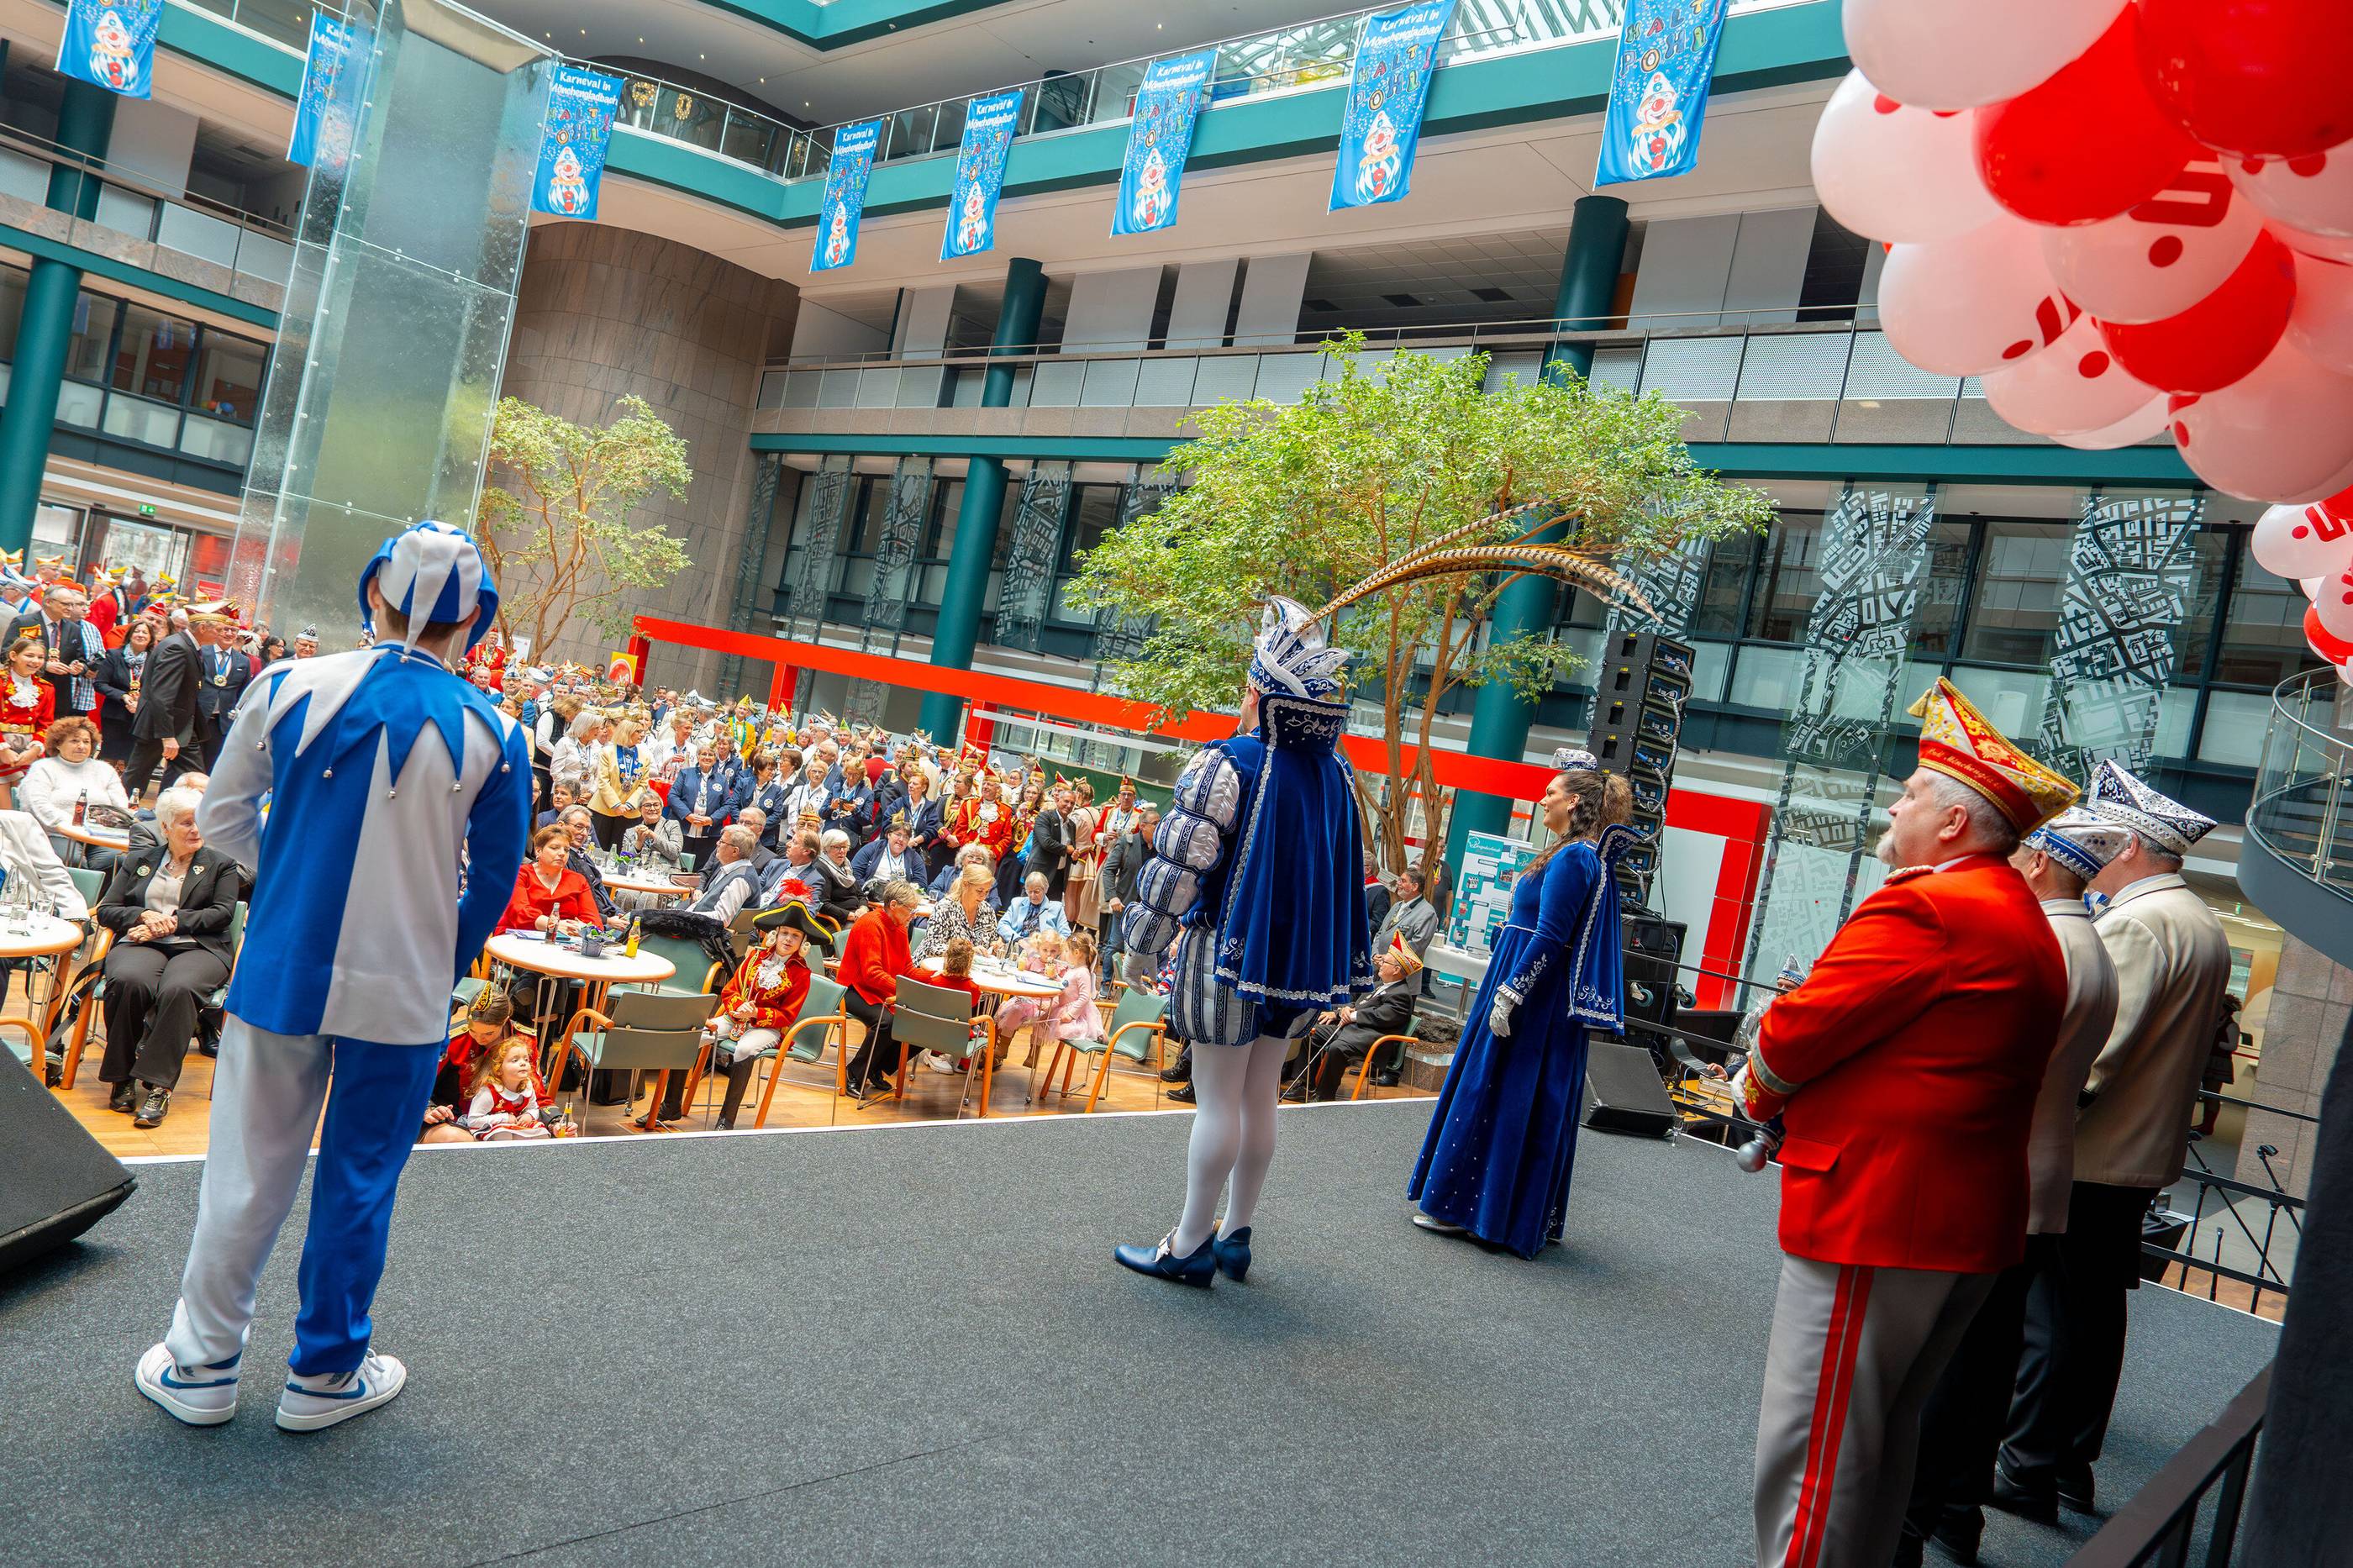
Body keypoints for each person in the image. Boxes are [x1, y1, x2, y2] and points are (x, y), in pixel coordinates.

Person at [136, 520, 530, 1434]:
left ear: (373, 593)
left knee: (244, 1170)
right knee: (361, 1179)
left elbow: (223, 817)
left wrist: (299, 871)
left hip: (283, 971)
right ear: (475, 618)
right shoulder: (499, 733)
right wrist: (440, 955)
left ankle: (200, 1366)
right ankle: (324, 1376)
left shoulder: (285, 685)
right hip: (406, 989)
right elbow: (495, 887)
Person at [1739, 678, 2076, 1568]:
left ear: (1954, 823)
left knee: (1813, 1456)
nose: (1895, 803)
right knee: (1879, 1449)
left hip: (1876, 1214)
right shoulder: (2020, 916)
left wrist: (1754, 1095)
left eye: (1911, 791)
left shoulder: (1925, 903)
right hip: (1950, 1219)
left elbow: (1797, 1028)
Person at [1998, 761, 2232, 1523]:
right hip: (2140, 1156)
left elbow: (2094, 1056)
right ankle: (2067, 1466)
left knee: (2056, 1317)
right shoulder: (2198, 920)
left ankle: (2029, 1468)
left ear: (2131, 844)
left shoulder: (2136, 922)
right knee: (2095, 1315)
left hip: (2094, 1153)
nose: (2094, 851)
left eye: (2106, 836)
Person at [1115, 597, 1368, 1286]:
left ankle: (1189, 1242)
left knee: (1218, 1100)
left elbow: (1180, 864)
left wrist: (1141, 942)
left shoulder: (1228, 762)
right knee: (1261, 1098)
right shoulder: (1340, 776)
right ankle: (1236, 1234)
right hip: (1297, 966)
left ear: (1258, 693)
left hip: (1224, 954)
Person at [1903, 808, 2123, 1567]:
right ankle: (1954, 1511)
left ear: (2035, 864)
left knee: (1956, 1361)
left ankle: (1936, 1510)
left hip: (2008, 1167)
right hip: (2047, 1168)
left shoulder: (2049, 942)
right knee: (1991, 1358)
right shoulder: (2091, 941)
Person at [1407, 759, 1629, 1254]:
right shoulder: (1575, 855)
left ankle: (1475, 1211)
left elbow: (1550, 938)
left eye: (1552, 791)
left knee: (1501, 1093)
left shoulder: (1574, 858)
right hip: (1533, 994)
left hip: (1532, 1000)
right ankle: (1495, 1210)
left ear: (1574, 801)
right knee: (1510, 1096)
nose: (1543, 798)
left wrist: (1511, 993)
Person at [91, 785, 239, 1129]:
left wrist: (170, 923)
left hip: (199, 946)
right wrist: (142, 917)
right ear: (165, 827)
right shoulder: (139, 861)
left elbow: (222, 914)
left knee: (179, 989)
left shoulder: (221, 863)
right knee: (130, 981)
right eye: (186, 823)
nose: (196, 830)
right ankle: (122, 1077)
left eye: (200, 821)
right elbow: (109, 910)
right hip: (142, 944)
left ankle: (159, 1086)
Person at [693, 900, 834, 1129]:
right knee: (695, 1035)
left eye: (795, 936)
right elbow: (731, 990)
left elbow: (788, 1015)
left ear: (803, 943)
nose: (788, 940)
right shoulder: (755, 958)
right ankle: (670, 1106)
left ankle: (726, 1121)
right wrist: (739, 1008)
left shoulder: (801, 974)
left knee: (745, 1049)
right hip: (735, 1018)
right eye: (784, 933)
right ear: (774, 935)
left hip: (767, 1028)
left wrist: (756, 1013)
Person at [1291, 934, 1421, 1103]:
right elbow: (1356, 1004)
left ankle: (1325, 1095)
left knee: (1338, 1048)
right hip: (1352, 1030)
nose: (1380, 964)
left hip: (1372, 1037)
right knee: (1310, 1033)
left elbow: (1382, 1017)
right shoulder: (1379, 985)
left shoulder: (1402, 994)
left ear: (1396, 970)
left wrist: (1352, 1015)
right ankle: (1304, 1086)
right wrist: (1341, 1011)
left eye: (1385, 962)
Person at [421, 990, 539, 1145]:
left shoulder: (524, 1040)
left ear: (505, 1021)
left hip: (506, 1123)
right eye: (473, 1030)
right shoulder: (454, 1040)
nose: (479, 1038)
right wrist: (428, 1109)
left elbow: (536, 1090)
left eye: (489, 1033)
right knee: (456, 1140)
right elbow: (418, 1083)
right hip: (453, 1121)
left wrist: (555, 1121)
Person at [840, 880, 922, 1099]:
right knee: (887, 1022)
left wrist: (935, 978)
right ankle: (854, 1073)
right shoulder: (871, 924)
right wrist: (907, 990)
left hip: (879, 989)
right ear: (893, 904)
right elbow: (871, 973)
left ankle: (876, 1066)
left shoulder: (900, 927)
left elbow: (906, 969)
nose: (913, 915)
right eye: (910, 909)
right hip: (853, 988)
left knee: (923, 1019)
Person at [124, 601, 209, 800]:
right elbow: (162, 695)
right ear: (203, 628)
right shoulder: (177, 647)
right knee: (137, 776)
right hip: (162, 725)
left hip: (182, 726)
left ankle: (177, 816)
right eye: (220, 629)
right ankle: (114, 814)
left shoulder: (186, 645)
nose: (223, 634)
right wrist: (167, 735)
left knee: (194, 777)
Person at [19, 716, 129, 862]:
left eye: (86, 742)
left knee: (116, 860)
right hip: (57, 833)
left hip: (101, 833)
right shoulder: (43, 768)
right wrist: (75, 824)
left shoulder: (105, 769)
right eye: (74, 741)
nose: (81, 746)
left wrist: (109, 822)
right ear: (58, 744)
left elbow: (120, 805)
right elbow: (36, 804)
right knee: (74, 860)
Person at [8, 579, 106, 727]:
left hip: (59, 696)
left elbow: (80, 658)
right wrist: (43, 665)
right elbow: (6, 653)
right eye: (66, 604)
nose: (70, 608)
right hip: (24, 690)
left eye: (73, 605)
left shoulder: (74, 629)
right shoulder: (24, 622)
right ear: (48, 602)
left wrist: (80, 667)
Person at [499, 824, 600, 935]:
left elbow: (594, 922)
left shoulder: (578, 880)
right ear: (538, 851)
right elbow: (519, 912)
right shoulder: (520, 874)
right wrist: (554, 925)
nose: (562, 853)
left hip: (564, 940)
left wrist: (580, 928)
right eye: (554, 848)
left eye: (566, 850)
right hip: (518, 935)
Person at [1097, 802, 1156, 986]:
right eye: (1155, 823)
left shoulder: (1161, 849)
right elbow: (1108, 871)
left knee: (1143, 949)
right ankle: (1107, 983)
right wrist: (1112, 896)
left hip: (1148, 909)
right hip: (1123, 904)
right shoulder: (1127, 842)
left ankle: (1136, 987)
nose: (1158, 826)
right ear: (1143, 825)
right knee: (1115, 944)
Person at [192, 612, 253, 768]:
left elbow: (243, 693)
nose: (229, 633)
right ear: (218, 631)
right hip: (198, 717)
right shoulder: (202, 653)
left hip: (222, 723)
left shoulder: (243, 661)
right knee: (190, 762)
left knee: (212, 765)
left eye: (233, 630)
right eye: (225, 629)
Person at [462, 1038, 552, 1141]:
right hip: (495, 1129)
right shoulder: (489, 1092)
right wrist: (505, 1118)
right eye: (515, 1060)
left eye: (526, 1059)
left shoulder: (527, 1085)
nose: (523, 1063)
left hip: (517, 1125)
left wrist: (529, 1115)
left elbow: (534, 1108)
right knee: (504, 1134)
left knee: (541, 1134)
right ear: (499, 1069)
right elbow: (473, 1120)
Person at [92, 618, 153, 769]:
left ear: (151, 638)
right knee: (110, 759)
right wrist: (123, 696)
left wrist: (141, 702)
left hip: (141, 716)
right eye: (137, 631)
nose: (140, 635)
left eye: (145, 632)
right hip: (115, 715)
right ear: (129, 635)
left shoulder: (155, 659)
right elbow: (100, 684)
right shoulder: (114, 655)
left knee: (132, 761)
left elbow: (158, 688)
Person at [587, 715, 653, 850]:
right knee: (597, 850)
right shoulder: (607, 752)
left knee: (622, 852)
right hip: (604, 808)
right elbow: (603, 781)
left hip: (630, 811)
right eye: (638, 731)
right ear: (627, 732)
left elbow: (643, 785)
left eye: (643, 731)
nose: (642, 734)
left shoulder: (645, 755)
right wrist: (616, 805)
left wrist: (629, 805)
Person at [0, 632, 55, 792]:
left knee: (26, 802)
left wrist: (35, 750)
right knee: (5, 810)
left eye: (40, 657)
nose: (35, 661)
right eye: (29, 655)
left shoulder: (46, 688)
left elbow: (46, 724)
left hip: (29, 749)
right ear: (13, 655)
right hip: (2, 744)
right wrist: (3, 749)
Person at [666, 741, 732, 871]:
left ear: (715, 758)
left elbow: (728, 804)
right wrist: (687, 815)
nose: (707, 757)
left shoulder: (722, 779)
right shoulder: (686, 773)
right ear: (698, 756)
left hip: (708, 834)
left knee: (699, 869)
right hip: (683, 829)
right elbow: (672, 796)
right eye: (703, 754)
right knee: (676, 866)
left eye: (711, 754)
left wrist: (711, 819)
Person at [686, 824, 764, 926]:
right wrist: (685, 914)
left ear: (735, 851)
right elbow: (704, 899)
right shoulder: (730, 868)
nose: (717, 843)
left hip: (711, 937)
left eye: (722, 842)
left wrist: (687, 917)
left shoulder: (740, 880)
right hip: (699, 926)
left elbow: (722, 919)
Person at [1371, 866, 1438, 962]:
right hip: (1379, 967)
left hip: (1401, 973)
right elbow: (1381, 933)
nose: (1398, 883)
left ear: (1414, 886)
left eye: (1403, 881)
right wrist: (1375, 954)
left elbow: (1417, 945)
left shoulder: (1427, 913)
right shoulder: (1397, 906)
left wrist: (1388, 959)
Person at [2199, 994, 2242, 1136]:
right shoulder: (2216, 1022)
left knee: (2212, 1094)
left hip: (2219, 1062)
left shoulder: (2232, 1026)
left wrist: (2216, 1042)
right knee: (2207, 1094)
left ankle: (2208, 1125)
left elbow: (2233, 1046)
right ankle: (2205, 1123)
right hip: (2209, 1059)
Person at [850, 811, 924, 886]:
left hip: (901, 896)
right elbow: (854, 874)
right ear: (889, 835)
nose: (901, 839)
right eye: (898, 834)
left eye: (906, 837)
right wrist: (866, 892)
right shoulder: (871, 849)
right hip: (871, 894)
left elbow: (921, 884)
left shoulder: (914, 858)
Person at [1362, 855, 1392, 935]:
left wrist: (1354, 919)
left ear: (1367, 870)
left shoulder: (1380, 891)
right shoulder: (1350, 885)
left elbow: (1378, 922)